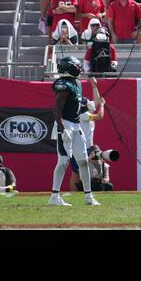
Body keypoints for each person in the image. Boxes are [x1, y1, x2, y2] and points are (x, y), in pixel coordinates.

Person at [48, 56, 99, 207]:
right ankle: (54, 196)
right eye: (76, 65)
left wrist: (85, 106)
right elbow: (57, 109)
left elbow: (74, 106)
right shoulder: (64, 85)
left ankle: (88, 196)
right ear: (69, 68)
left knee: (83, 161)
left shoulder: (76, 84)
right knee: (63, 161)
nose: (79, 68)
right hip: (66, 125)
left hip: (76, 126)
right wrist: (62, 129)